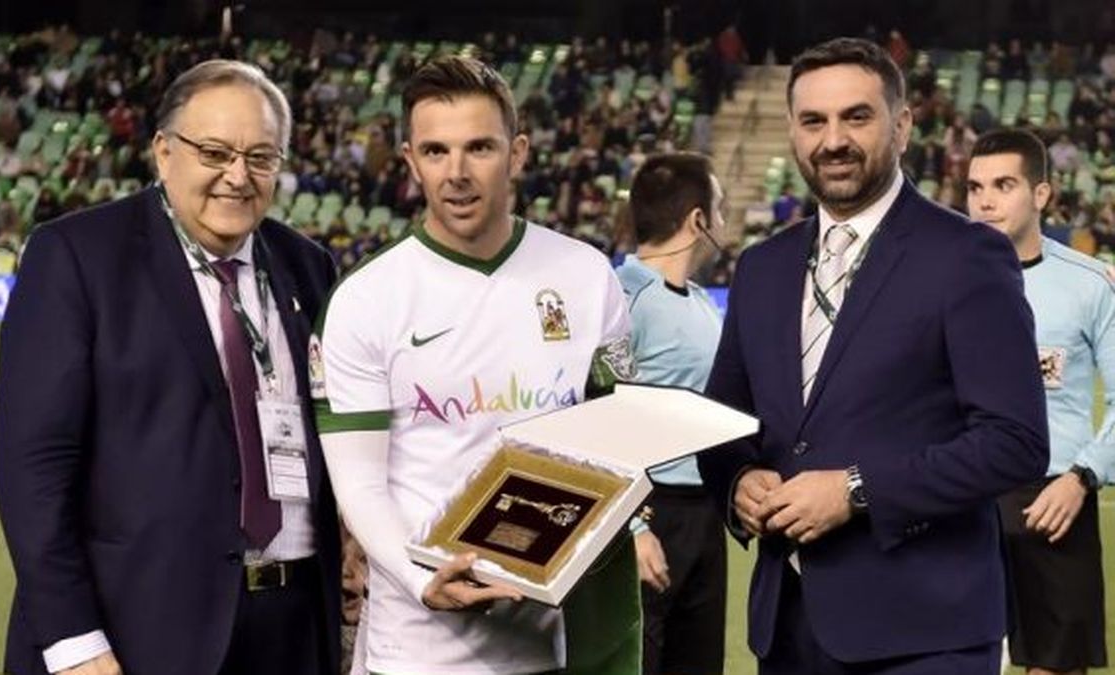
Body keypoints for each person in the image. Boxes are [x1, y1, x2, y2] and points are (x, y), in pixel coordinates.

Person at [698, 37, 1049, 675]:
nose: (834, 140)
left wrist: (858, 491)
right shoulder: (762, 268)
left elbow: (1015, 441)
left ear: (903, 124)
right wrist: (740, 482)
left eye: (856, 117)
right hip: (788, 626)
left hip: (926, 631)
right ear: (794, 132)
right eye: (814, 121)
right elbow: (724, 423)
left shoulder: (967, 256)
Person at [0, 60, 341, 675]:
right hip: (137, 627)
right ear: (163, 151)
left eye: (261, 158)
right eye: (215, 152)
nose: (238, 176)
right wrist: (74, 641)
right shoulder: (77, 256)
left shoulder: (307, 267)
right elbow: (33, 471)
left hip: (292, 628)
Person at [314, 55, 641, 675]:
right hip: (416, 648)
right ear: (410, 161)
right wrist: (421, 579)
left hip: (559, 641)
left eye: (479, 148)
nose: (457, 173)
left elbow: (619, 436)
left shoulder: (586, 275)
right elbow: (358, 484)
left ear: (517, 153)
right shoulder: (364, 297)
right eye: (436, 152)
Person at [966, 128, 1112, 675]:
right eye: (976, 186)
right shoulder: (939, 279)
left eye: (1004, 184)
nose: (986, 200)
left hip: (1053, 497)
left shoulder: (1090, 284)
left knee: (1054, 667)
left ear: (1043, 195)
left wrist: (1083, 477)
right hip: (960, 493)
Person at [617, 152, 727, 675]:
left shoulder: (705, 304)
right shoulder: (621, 296)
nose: (724, 225)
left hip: (705, 512)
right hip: (650, 509)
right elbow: (595, 418)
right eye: (719, 211)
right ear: (698, 220)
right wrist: (632, 527)